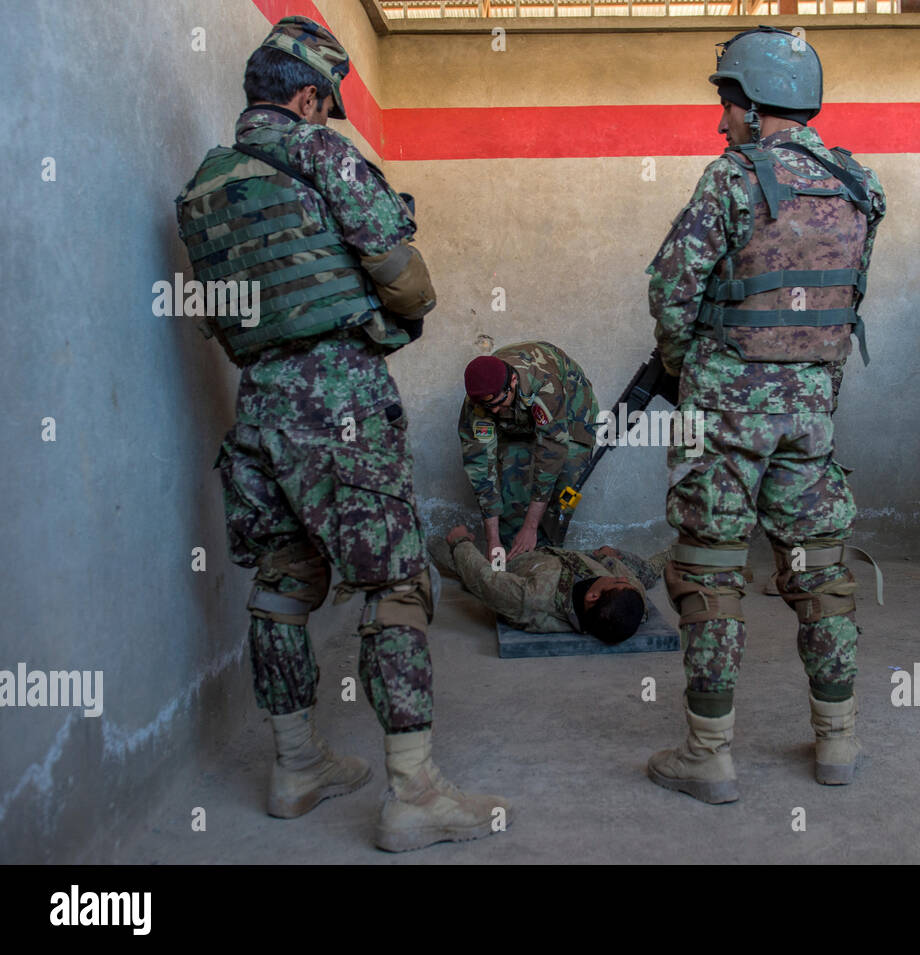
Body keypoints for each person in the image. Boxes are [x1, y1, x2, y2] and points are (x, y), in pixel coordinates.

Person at [174, 16, 509, 852]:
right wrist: (402, 306)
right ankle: (415, 792)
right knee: (395, 581)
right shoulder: (320, 153)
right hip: (341, 403)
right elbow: (404, 278)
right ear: (307, 94)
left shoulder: (206, 184)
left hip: (261, 409)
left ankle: (295, 767)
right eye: (326, 101)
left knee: (286, 580)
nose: (326, 113)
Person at [645, 26, 885, 802]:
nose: (722, 122)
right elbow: (847, 306)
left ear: (752, 105)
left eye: (728, 103)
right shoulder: (858, 186)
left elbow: (671, 291)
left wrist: (689, 366)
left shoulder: (732, 178)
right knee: (821, 572)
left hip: (724, 410)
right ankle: (838, 742)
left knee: (710, 569)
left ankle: (710, 753)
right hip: (809, 415)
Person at [458, 342, 599, 560]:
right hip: (519, 419)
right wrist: (492, 539)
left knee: (568, 486)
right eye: (489, 407)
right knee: (511, 482)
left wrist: (531, 527)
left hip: (572, 416)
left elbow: (552, 452)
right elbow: (480, 469)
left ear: (512, 382)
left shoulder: (543, 382)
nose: (494, 411)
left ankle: (550, 553)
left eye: (498, 402)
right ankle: (510, 554)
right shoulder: (479, 402)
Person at [437, 527, 666, 640]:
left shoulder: (532, 598)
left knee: (442, 550)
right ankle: (675, 554)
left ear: (593, 597)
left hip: (517, 558)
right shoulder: (632, 608)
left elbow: (484, 578)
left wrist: (461, 541)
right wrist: (609, 558)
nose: (623, 579)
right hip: (574, 559)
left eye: (617, 581)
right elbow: (632, 582)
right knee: (645, 571)